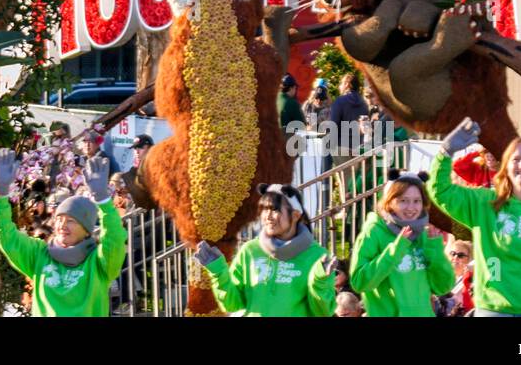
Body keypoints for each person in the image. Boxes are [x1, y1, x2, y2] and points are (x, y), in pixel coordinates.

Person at [427, 119, 521, 317]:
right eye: (515, 159)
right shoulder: (484, 204)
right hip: (493, 309)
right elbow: (440, 191)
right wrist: (445, 151)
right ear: (505, 167)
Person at [0, 148, 127, 317]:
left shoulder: (99, 262)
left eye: (71, 221)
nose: (62, 225)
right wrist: (0, 193)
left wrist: (104, 201)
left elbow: (115, 238)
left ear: (86, 230)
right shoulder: (40, 255)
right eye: (60, 219)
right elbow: (5, 234)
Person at [194, 184, 336, 317]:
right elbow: (233, 304)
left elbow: (323, 312)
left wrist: (320, 281)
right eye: (264, 209)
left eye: (274, 209)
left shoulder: (318, 256)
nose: (267, 216)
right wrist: (218, 272)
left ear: (295, 215)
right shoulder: (250, 250)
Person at [349, 168, 454, 316]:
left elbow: (443, 287)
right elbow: (359, 282)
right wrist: (396, 250)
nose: (411, 208)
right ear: (389, 201)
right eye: (403, 201)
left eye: (417, 201)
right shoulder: (374, 231)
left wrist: (434, 249)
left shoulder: (425, 234)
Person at [328, 74, 370, 159]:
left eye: (341, 84)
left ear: (347, 84)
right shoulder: (364, 103)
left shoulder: (339, 101)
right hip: (358, 148)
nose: (339, 86)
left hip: (341, 148)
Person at [442, 238, 474, 316]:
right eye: (453, 253)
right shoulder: (441, 278)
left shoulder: (471, 281)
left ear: (469, 259)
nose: (455, 257)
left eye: (461, 255)